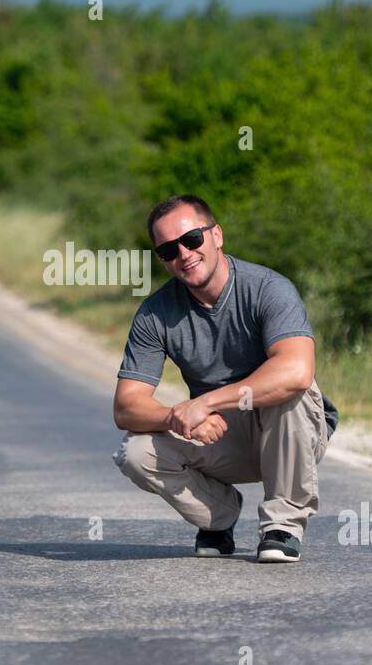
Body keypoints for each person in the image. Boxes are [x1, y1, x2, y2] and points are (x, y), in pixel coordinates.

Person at [111, 194, 337, 563]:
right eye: (168, 250)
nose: (183, 254)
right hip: (219, 438)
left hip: (288, 435)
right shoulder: (155, 313)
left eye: (192, 239)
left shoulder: (268, 288)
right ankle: (218, 517)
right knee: (135, 453)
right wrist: (176, 418)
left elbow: (296, 370)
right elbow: (126, 406)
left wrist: (204, 403)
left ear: (216, 235)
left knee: (292, 391)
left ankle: (283, 525)